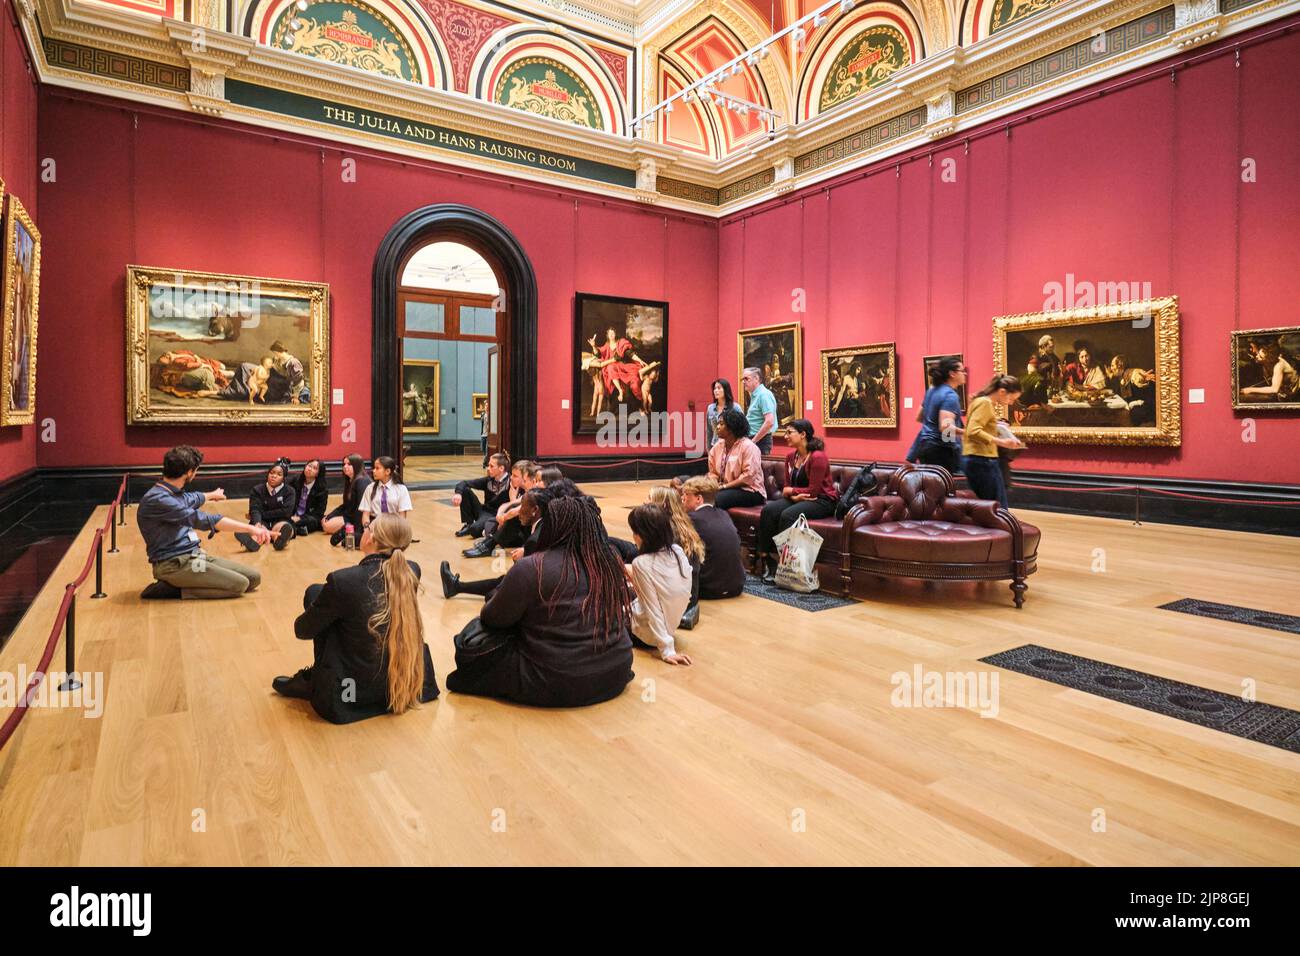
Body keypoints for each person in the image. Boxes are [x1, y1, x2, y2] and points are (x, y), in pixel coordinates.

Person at [446, 497, 636, 707]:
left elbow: (493, 619)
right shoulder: (609, 558)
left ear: (552, 525)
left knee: (470, 639)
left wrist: (497, 593)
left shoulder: (532, 566)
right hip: (617, 669)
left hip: (557, 679)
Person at [274, 514, 439, 724]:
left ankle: (318, 680)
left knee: (316, 596)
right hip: (401, 684)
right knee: (337, 604)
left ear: (370, 539)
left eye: (368, 527)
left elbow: (302, 630)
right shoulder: (410, 570)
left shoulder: (343, 581)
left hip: (351, 696)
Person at [136, 445, 273, 600]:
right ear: (189, 472)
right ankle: (172, 590)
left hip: (194, 557)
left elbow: (191, 498)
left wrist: (212, 494)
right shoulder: (159, 499)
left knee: (253, 578)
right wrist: (251, 529)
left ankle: (189, 582)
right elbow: (203, 519)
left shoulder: (170, 491)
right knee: (239, 585)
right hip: (173, 565)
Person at [754, 419, 839, 583]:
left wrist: (792, 492)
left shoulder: (818, 457)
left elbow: (813, 491)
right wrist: (793, 494)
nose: (785, 436)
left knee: (787, 515)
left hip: (822, 501)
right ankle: (766, 558)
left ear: (802, 434)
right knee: (768, 511)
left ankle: (787, 564)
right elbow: (787, 486)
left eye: (789, 432)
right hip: (798, 499)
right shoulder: (791, 457)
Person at [625, 505, 694, 666]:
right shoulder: (677, 551)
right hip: (669, 627)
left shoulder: (641, 563)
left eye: (635, 532)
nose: (633, 536)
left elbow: (652, 609)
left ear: (643, 535)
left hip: (647, 635)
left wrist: (667, 649)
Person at [963, 375, 1027, 508]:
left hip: (979, 459)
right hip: (982, 459)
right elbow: (973, 430)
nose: (1011, 403)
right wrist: (1001, 442)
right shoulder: (985, 403)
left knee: (989, 507)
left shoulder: (981, 401)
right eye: (1011, 398)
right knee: (997, 508)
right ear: (1002, 392)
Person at [647, 485, 705, 630]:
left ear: (662, 504)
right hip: (689, 596)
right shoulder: (683, 525)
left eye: (649, 499)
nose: (645, 502)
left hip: (674, 600)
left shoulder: (665, 530)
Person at [681, 475, 745, 600]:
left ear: (698, 499)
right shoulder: (724, 514)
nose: (682, 498)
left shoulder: (691, 519)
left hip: (708, 589)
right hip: (736, 586)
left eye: (686, 494)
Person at [462, 460, 543, 558]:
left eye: (515, 476)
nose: (511, 477)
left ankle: (490, 543)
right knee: (492, 523)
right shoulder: (520, 489)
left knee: (511, 517)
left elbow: (517, 510)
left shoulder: (537, 493)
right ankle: (490, 541)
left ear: (526, 477)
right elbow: (507, 505)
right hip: (516, 527)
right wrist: (499, 515)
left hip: (529, 534)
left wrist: (504, 516)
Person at [907, 356, 967, 474]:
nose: (965, 374)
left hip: (924, 446)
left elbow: (919, 417)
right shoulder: (950, 395)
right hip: (940, 450)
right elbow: (945, 428)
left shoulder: (932, 390)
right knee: (943, 489)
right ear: (952, 374)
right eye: (962, 371)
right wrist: (967, 432)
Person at [709, 406, 766, 511]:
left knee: (717, 499)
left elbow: (747, 478)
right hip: (725, 488)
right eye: (718, 423)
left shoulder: (749, 447)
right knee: (700, 495)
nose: (717, 427)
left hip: (750, 491)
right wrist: (711, 484)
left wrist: (724, 487)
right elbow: (713, 472)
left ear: (731, 428)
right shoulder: (718, 446)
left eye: (721, 424)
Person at [236, 459, 297, 552]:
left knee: (284, 527)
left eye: (279, 474)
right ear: (268, 474)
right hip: (262, 521)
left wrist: (263, 514)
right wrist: (257, 522)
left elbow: (286, 512)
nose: (274, 476)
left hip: (281, 519)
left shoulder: (290, 491)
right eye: (272, 473)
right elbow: (255, 509)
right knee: (258, 530)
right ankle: (253, 542)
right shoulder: (257, 490)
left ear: (284, 477)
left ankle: (280, 541)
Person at [451, 452, 511, 538]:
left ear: (501, 468)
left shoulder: (511, 483)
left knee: (475, 530)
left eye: (491, 466)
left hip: (495, 515)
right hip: (483, 511)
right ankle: (469, 524)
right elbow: (463, 483)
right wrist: (458, 494)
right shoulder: (489, 480)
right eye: (488, 465)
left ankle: (479, 527)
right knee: (465, 490)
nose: (488, 468)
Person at [323, 454, 371, 547]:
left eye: (349, 464)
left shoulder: (362, 481)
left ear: (357, 465)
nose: (345, 467)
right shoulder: (350, 480)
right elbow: (345, 505)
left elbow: (361, 508)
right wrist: (330, 515)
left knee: (326, 526)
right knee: (325, 521)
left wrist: (356, 531)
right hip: (349, 515)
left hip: (357, 519)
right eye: (344, 464)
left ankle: (348, 530)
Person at [359, 455, 412, 527]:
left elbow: (402, 516)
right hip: (374, 525)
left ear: (387, 471)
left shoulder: (401, 489)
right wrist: (366, 528)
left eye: (377, 468)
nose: (373, 470)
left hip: (394, 526)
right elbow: (365, 514)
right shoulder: (370, 488)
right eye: (374, 468)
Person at [741, 366, 778, 454]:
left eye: (746, 379)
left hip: (760, 441)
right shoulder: (756, 395)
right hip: (755, 440)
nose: (743, 382)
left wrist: (753, 441)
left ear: (756, 378)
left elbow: (769, 422)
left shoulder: (763, 395)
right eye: (743, 379)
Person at [287, 458, 329, 537]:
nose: (310, 469)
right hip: (292, 514)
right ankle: (297, 529)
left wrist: (300, 518)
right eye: (309, 466)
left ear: (318, 473)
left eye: (315, 468)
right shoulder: (295, 481)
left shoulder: (322, 489)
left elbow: (319, 513)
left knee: (315, 521)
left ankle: (292, 528)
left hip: (307, 517)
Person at [706, 378, 744, 450]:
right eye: (715, 388)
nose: (716, 391)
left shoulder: (735, 407)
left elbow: (742, 429)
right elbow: (709, 431)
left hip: (732, 446)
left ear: (726, 390)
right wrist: (709, 450)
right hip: (715, 446)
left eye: (719, 388)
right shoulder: (710, 408)